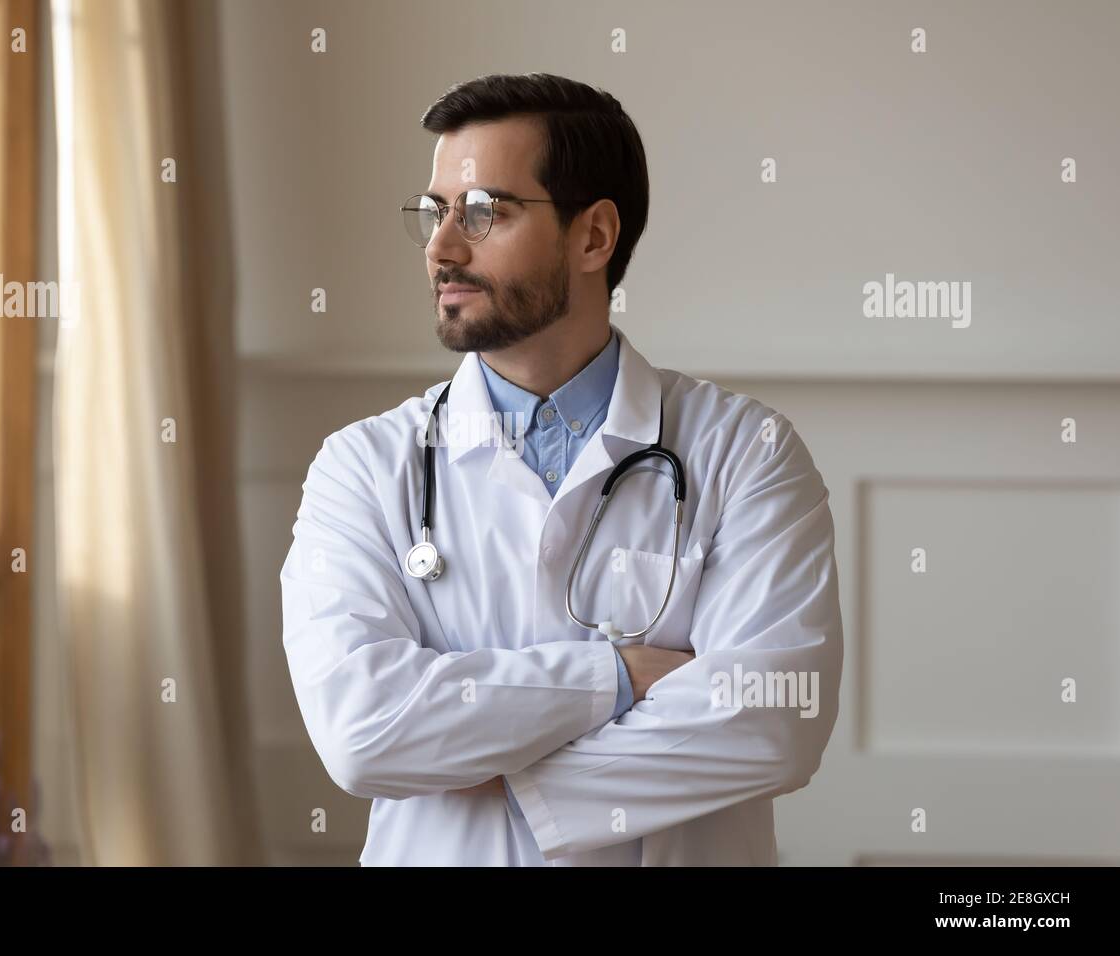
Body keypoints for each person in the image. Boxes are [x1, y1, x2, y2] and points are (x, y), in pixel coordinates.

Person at [280, 73, 843, 866]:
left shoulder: (745, 452)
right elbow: (365, 735)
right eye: (436, 212)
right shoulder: (363, 466)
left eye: (483, 212)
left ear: (594, 237)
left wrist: (505, 777)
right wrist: (619, 676)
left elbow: (776, 718)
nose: (442, 247)